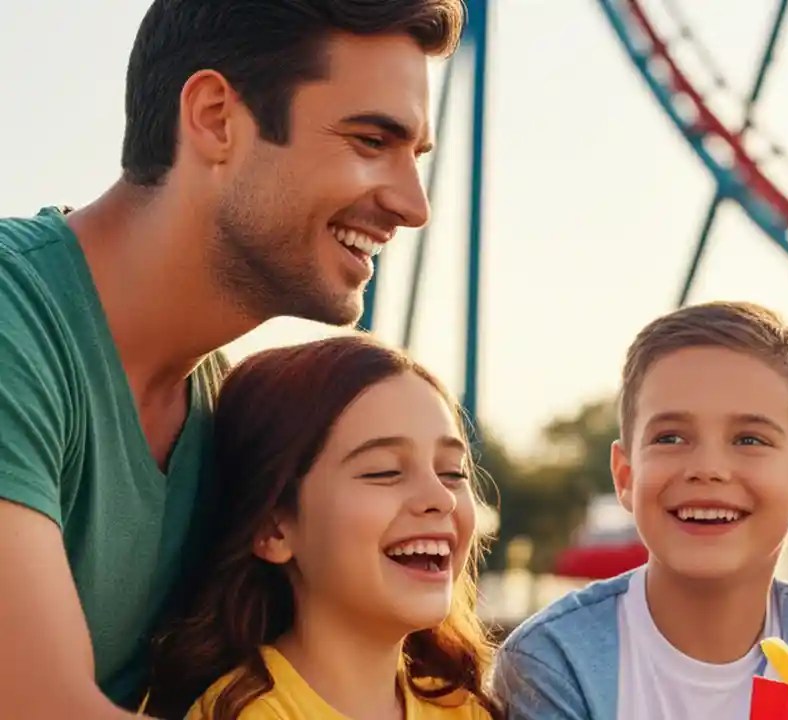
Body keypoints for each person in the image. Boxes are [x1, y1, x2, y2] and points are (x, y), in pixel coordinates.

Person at [0, 1, 462, 716]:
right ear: (216, 117)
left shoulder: (223, 412)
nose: (412, 204)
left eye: (415, 157)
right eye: (372, 140)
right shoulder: (14, 320)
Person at [493, 301, 788, 719]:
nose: (707, 470)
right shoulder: (554, 662)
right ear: (626, 475)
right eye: (670, 438)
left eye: (750, 440)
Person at [143, 335, 500, 719]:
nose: (441, 498)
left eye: (452, 472)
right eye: (385, 472)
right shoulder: (245, 713)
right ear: (274, 529)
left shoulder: (463, 708)